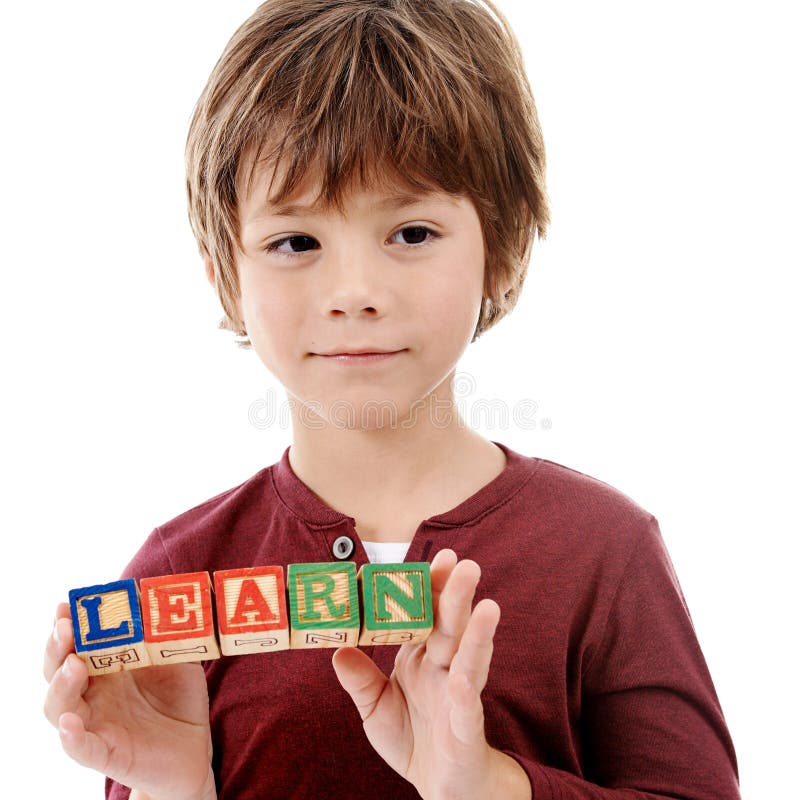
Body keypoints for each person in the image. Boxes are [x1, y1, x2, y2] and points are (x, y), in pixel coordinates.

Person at [42, 1, 741, 798]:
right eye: (294, 242)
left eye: (410, 232)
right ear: (225, 275)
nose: (355, 292)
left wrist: (487, 786)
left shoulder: (607, 552)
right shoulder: (177, 575)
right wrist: (174, 785)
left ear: (503, 244)